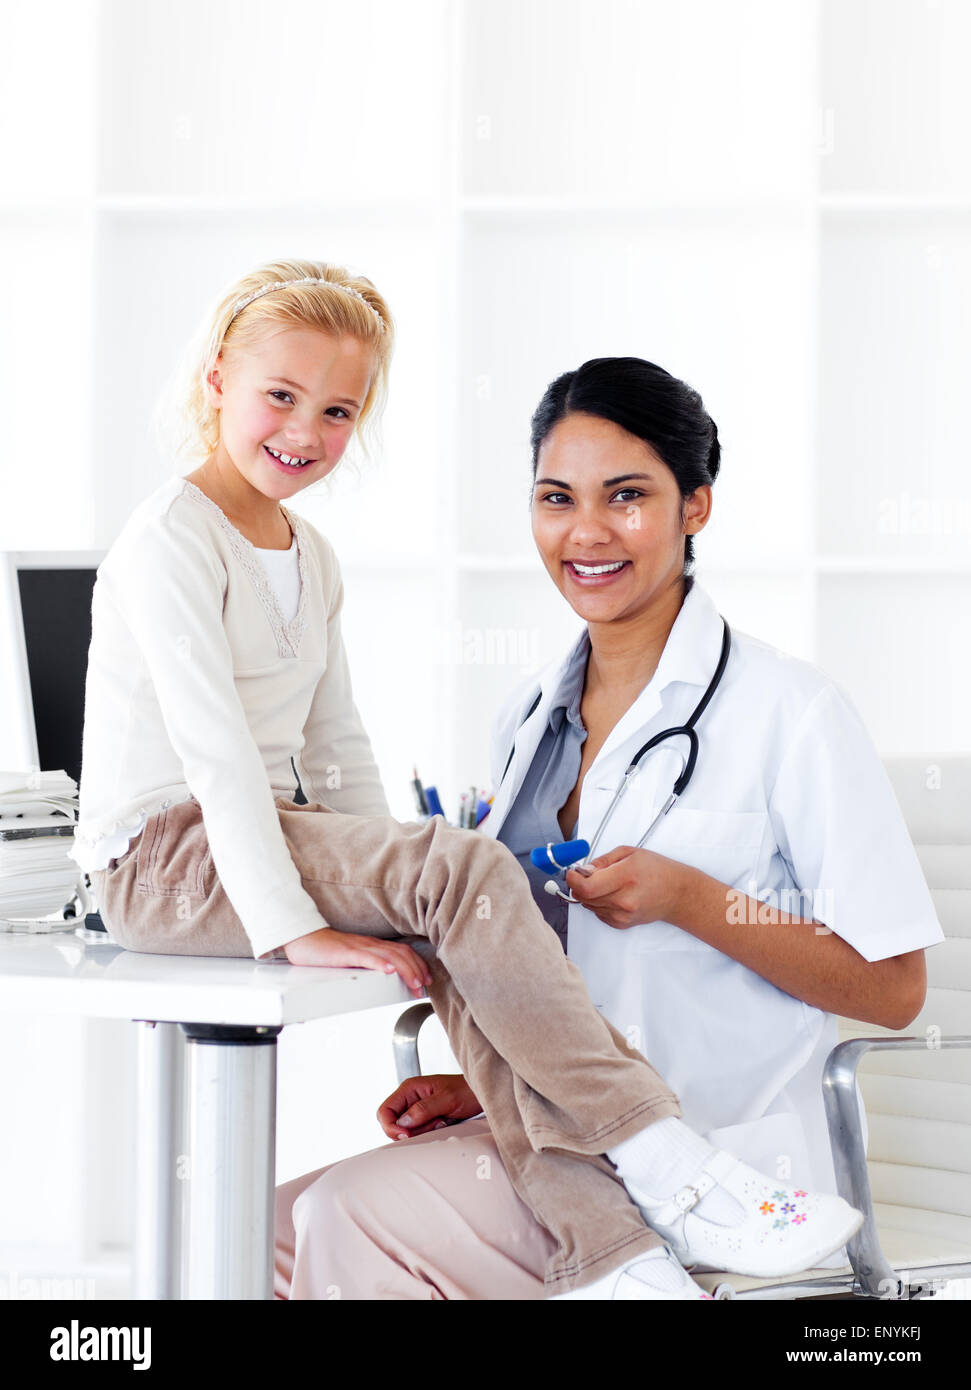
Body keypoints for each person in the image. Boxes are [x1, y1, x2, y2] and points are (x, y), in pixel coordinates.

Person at [71, 264, 865, 1302]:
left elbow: (340, 739)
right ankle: (661, 1171)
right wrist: (298, 923)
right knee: (463, 873)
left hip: (273, 842)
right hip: (174, 854)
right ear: (216, 379)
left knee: (450, 896)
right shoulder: (173, 538)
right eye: (280, 395)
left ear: (693, 507)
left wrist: (382, 879)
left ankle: (615, 1258)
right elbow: (216, 754)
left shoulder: (307, 552)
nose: (305, 429)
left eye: (339, 409)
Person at [273, 355, 944, 1301]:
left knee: (346, 1214)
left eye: (626, 496)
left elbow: (894, 989)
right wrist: (485, 1086)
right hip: (557, 1134)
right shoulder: (527, 716)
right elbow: (533, 972)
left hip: (716, 1149)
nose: (585, 532)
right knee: (258, 1231)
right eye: (556, 498)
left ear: (694, 507)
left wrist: (689, 899)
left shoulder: (790, 712)